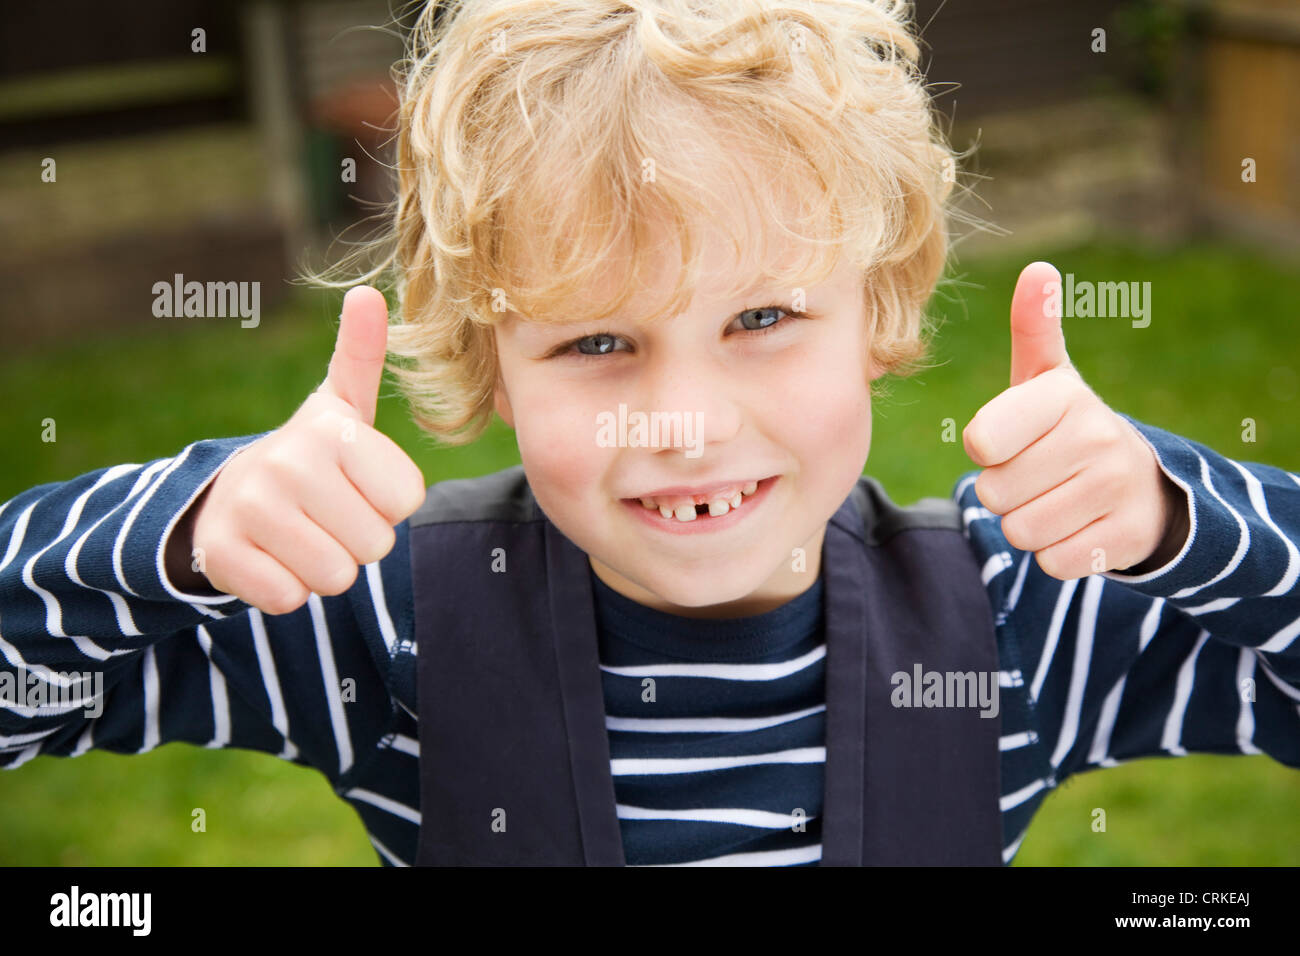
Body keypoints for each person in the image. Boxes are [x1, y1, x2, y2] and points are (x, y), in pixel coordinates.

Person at [2, 0, 1297, 866]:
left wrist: (1183, 517)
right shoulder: (387, 630)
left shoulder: (1027, 624)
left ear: (878, 310)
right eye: (598, 341)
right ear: (489, 363)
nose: (689, 422)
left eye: (765, 316)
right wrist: (179, 530)